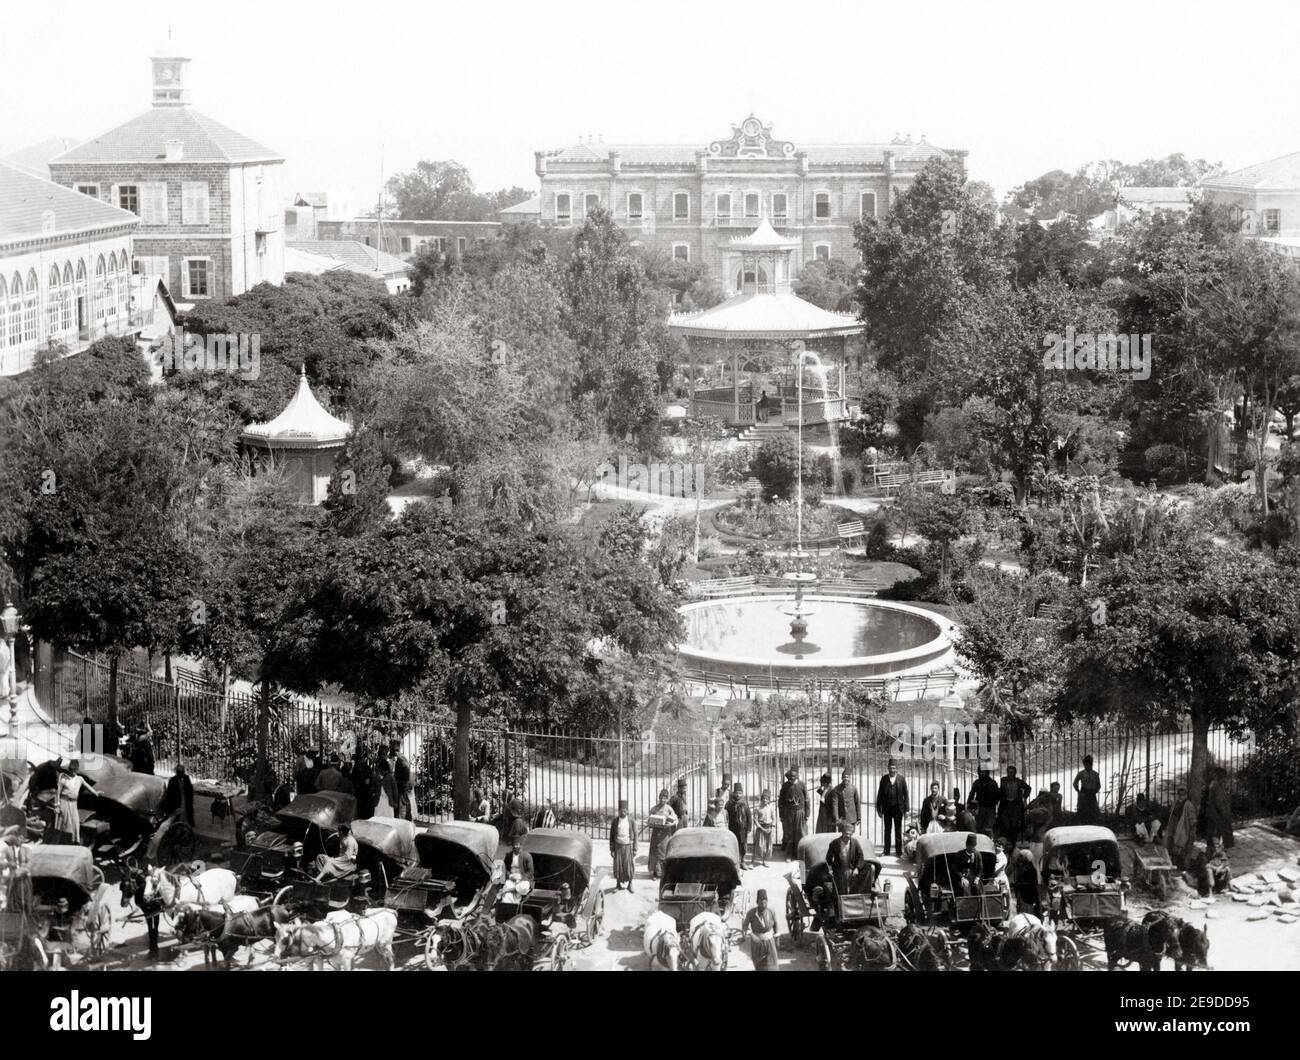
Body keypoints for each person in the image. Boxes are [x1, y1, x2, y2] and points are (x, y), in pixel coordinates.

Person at [875, 759, 908, 856]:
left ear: (897, 769)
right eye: (890, 768)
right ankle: (886, 851)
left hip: (898, 809)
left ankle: (898, 851)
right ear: (888, 768)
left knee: (898, 830)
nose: (892, 770)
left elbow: (906, 794)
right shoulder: (884, 779)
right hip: (887, 809)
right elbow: (880, 794)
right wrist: (879, 809)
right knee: (887, 830)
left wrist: (906, 810)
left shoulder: (901, 779)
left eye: (894, 768)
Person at [742, 889, 780, 970]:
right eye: (761, 902)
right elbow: (744, 926)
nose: (763, 905)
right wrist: (752, 935)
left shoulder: (771, 912)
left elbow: (776, 925)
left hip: (770, 942)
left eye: (765, 902)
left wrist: (777, 939)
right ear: (757, 902)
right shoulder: (751, 913)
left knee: (772, 965)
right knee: (759, 965)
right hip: (757, 944)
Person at [826, 818, 866, 895]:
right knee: (841, 892)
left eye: (850, 834)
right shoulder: (835, 843)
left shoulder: (855, 842)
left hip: (851, 870)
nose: (848, 836)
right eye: (846, 833)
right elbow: (828, 858)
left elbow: (861, 856)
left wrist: (857, 868)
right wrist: (830, 869)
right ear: (842, 833)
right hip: (839, 871)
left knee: (851, 891)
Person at [1202, 767, 1234, 856]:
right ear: (1220, 776)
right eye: (1224, 777)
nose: (1225, 778)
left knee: (1215, 833)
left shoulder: (1217, 784)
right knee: (1216, 833)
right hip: (1216, 813)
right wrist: (1224, 813)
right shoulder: (1216, 785)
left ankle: (1213, 850)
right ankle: (1215, 852)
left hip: (1215, 813)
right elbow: (1218, 802)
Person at [996, 765, 1030, 843]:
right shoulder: (1003, 780)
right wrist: (1001, 798)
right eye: (1008, 772)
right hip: (1006, 805)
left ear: (1015, 773)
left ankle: (1013, 841)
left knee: (1014, 824)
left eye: (1012, 772)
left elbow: (1028, 788)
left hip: (1015, 806)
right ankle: (1005, 841)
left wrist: (1023, 797)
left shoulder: (1019, 781)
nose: (1010, 774)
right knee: (1005, 824)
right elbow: (1001, 791)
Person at [778, 768, 808, 858]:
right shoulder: (785, 786)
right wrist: (781, 815)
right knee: (789, 834)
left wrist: (807, 814)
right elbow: (781, 801)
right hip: (789, 813)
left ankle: (799, 854)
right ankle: (789, 854)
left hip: (800, 812)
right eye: (790, 776)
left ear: (797, 776)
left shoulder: (802, 785)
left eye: (793, 776)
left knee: (800, 833)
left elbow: (807, 800)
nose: (791, 778)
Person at [609, 800, 637, 892]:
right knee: (618, 866)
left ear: (628, 811)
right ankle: (618, 885)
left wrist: (635, 849)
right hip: (618, 846)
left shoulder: (631, 821)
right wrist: (612, 849)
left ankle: (630, 884)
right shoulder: (615, 821)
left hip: (628, 846)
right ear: (618, 811)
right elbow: (611, 836)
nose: (623, 812)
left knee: (629, 866)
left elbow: (636, 835)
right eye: (621, 810)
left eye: (625, 810)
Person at [648, 788, 677, 879]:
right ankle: (655, 873)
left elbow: (675, 820)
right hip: (656, 835)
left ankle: (663, 873)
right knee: (655, 853)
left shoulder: (669, 809)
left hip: (665, 835)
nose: (662, 800)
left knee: (663, 853)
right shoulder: (654, 809)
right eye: (661, 798)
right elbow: (649, 821)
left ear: (667, 799)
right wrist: (652, 823)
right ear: (658, 798)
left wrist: (670, 823)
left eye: (664, 798)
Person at [1167, 785, 1198, 868]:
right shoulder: (1176, 803)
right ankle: (1175, 863)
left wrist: (1192, 830)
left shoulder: (1189, 805)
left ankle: (1184, 865)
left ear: (1186, 795)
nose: (1181, 796)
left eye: (1183, 794)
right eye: (1179, 794)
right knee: (1174, 846)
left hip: (1184, 828)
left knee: (1185, 847)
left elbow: (1192, 820)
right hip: (1176, 827)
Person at [53, 759, 85, 839]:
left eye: (74, 770)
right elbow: (58, 792)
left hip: (74, 802)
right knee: (64, 823)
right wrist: (57, 805)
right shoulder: (63, 778)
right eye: (71, 770)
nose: (72, 772)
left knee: (73, 823)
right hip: (65, 802)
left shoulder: (78, 778)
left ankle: (72, 838)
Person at [969, 760, 999, 836]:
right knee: (979, 828)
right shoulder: (977, 782)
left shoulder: (993, 783)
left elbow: (997, 796)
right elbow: (972, 794)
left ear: (987, 772)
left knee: (988, 828)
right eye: (981, 772)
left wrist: (992, 804)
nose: (982, 773)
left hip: (990, 808)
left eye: (984, 771)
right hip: (980, 808)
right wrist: (971, 805)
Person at [161, 763, 195, 827]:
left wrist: (190, 798)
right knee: (177, 813)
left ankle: (186, 823)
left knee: (186, 811)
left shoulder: (186, 778)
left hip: (185, 798)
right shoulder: (172, 780)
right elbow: (169, 793)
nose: (181, 774)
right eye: (179, 772)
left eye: (182, 772)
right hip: (176, 800)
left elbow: (190, 789)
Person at [727, 783, 752, 866]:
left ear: (742, 794)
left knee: (743, 845)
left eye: (740, 793)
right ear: (733, 793)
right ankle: (735, 862)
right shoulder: (729, 804)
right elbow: (726, 816)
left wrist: (749, 827)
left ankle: (742, 861)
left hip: (743, 829)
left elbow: (749, 816)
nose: (738, 795)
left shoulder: (745, 803)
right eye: (736, 793)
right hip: (733, 828)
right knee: (734, 844)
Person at [831, 770, 862, 834]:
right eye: (844, 777)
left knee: (851, 836)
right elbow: (835, 805)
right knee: (842, 837)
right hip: (842, 819)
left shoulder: (854, 788)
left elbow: (857, 803)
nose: (846, 779)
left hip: (852, 819)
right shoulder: (836, 789)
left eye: (847, 777)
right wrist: (836, 819)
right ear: (841, 778)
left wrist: (859, 818)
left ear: (850, 778)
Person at [1073, 755, 1101, 823]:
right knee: (1082, 809)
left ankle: (1092, 823)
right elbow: (1075, 783)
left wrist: (1095, 791)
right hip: (1084, 792)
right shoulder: (1081, 773)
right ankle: (1082, 823)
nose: (1086, 766)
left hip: (1092, 793)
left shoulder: (1095, 774)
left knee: (1093, 809)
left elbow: (1099, 785)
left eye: (1088, 764)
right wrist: (1078, 791)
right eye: (1085, 764)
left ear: (1091, 764)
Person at [390, 741, 412, 821]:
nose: (391, 750)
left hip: (401, 785)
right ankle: (406, 818)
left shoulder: (400, 759)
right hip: (402, 784)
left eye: (392, 748)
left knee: (402, 804)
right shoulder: (401, 758)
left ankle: (404, 820)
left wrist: (399, 782)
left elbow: (405, 773)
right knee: (404, 803)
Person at [753, 789, 775, 867]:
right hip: (761, 828)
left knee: (768, 845)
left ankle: (766, 860)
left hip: (769, 828)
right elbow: (755, 820)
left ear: (769, 800)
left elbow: (773, 818)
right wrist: (762, 828)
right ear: (761, 799)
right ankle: (758, 859)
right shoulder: (757, 808)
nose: (765, 800)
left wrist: (771, 828)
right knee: (760, 844)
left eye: (767, 799)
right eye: (763, 799)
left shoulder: (771, 808)